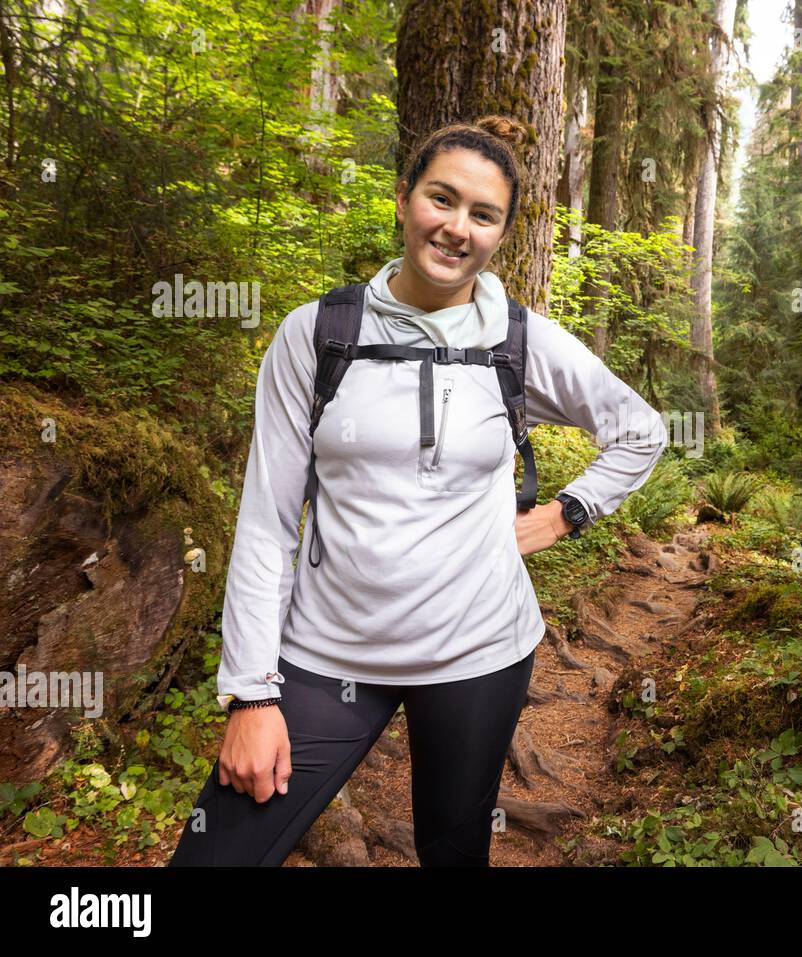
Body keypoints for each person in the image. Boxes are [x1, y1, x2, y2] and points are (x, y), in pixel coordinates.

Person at [168, 115, 669, 866]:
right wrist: (251, 692)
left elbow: (640, 428)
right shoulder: (318, 334)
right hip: (324, 653)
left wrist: (565, 514)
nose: (457, 227)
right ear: (404, 199)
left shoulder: (517, 340)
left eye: (483, 214)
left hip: (479, 653)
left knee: (453, 852)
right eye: (442, 199)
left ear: (502, 233)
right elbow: (268, 520)